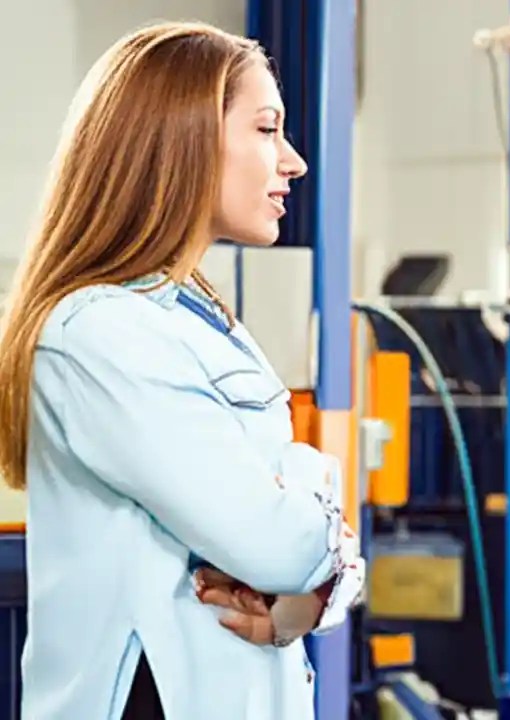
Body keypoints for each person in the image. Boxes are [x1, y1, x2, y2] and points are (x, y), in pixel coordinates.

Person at [0, 21, 365, 719]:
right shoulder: (99, 334)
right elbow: (276, 542)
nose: (293, 162)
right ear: (182, 138)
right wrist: (314, 528)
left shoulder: (197, 317)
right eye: (266, 129)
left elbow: (295, 529)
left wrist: (303, 594)